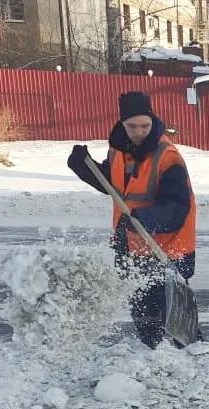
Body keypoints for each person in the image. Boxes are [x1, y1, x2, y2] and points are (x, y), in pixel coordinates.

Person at [67, 92, 197, 348]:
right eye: (132, 126)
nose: (139, 132)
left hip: (168, 249)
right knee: (144, 317)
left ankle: (192, 360)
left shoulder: (167, 156)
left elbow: (177, 206)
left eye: (145, 126)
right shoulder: (119, 150)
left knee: (176, 322)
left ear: (152, 120)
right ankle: (152, 359)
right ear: (122, 123)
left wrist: (148, 218)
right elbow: (114, 186)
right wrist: (84, 167)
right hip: (131, 246)